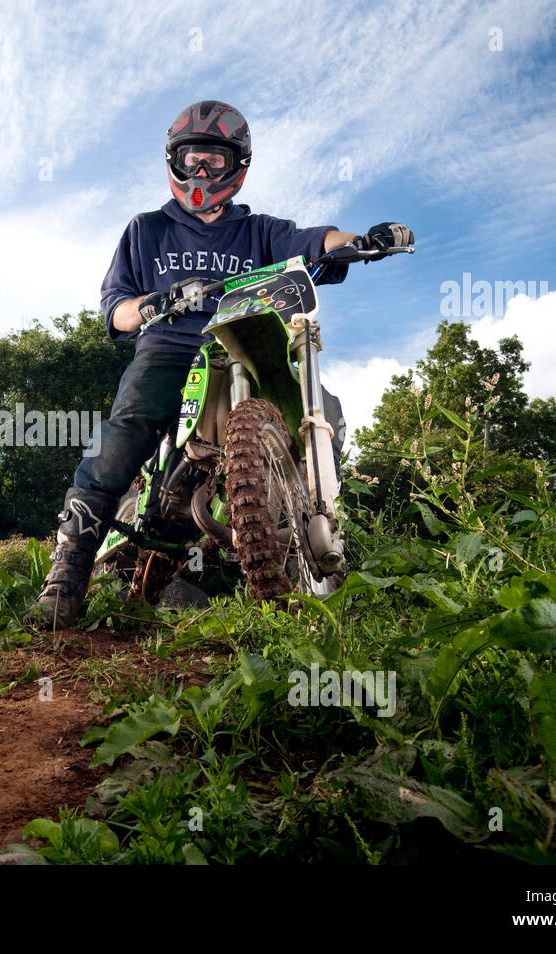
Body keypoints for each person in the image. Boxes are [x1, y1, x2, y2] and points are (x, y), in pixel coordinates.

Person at [26, 99, 413, 629]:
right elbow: (115, 310)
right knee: (124, 432)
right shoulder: (146, 230)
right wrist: (153, 305)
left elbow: (319, 242)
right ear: (173, 162)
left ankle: (319, 521)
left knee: (324, 406)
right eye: (191, 160)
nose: (201, 171)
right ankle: (65, 582)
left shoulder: (260, 232)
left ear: (239, 165)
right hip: (169, 347)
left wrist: (364, 241)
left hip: (244, 341)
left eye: (213, 160)